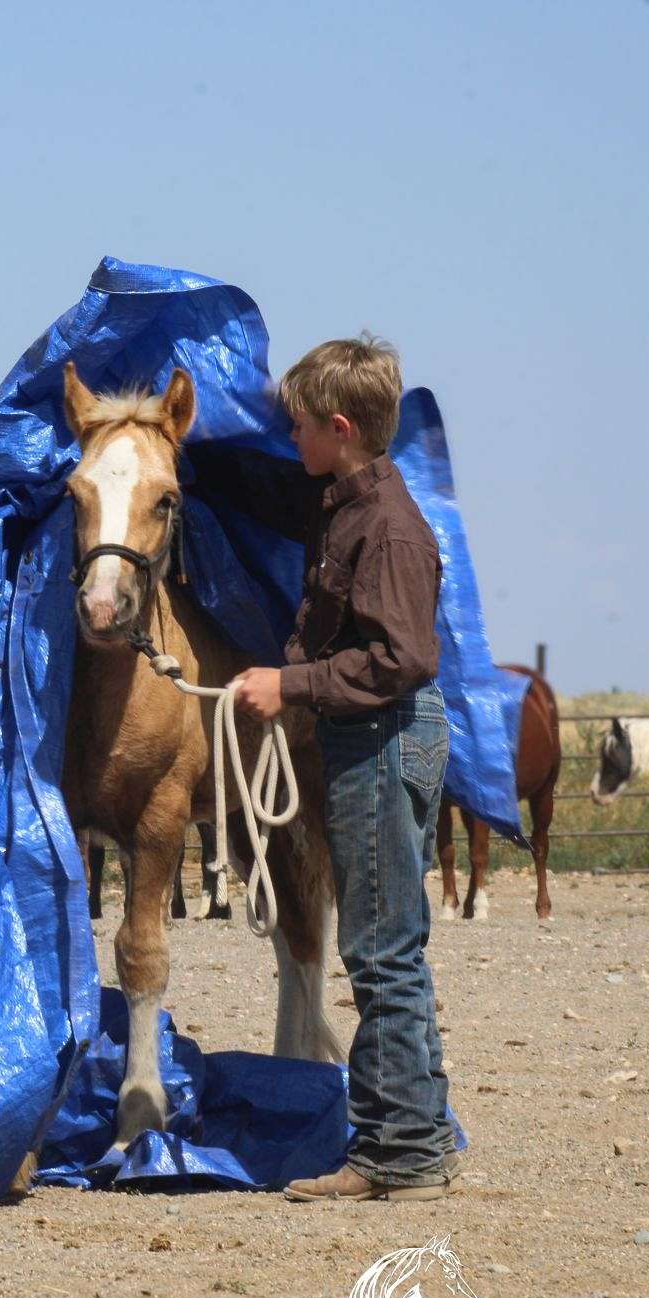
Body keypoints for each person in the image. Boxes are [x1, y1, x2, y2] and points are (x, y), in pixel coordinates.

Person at [220, 334, 459, 1201]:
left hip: (383, 739)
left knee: (381, 951)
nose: (288, 438)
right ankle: (419, 1139)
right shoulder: (343, 508)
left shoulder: (387, 529)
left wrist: (290, 684)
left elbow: (403, 659)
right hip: (375, 737)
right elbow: (280, 498)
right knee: (391, 948)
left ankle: (397, 1157)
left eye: (298, 426)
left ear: (341, 427)